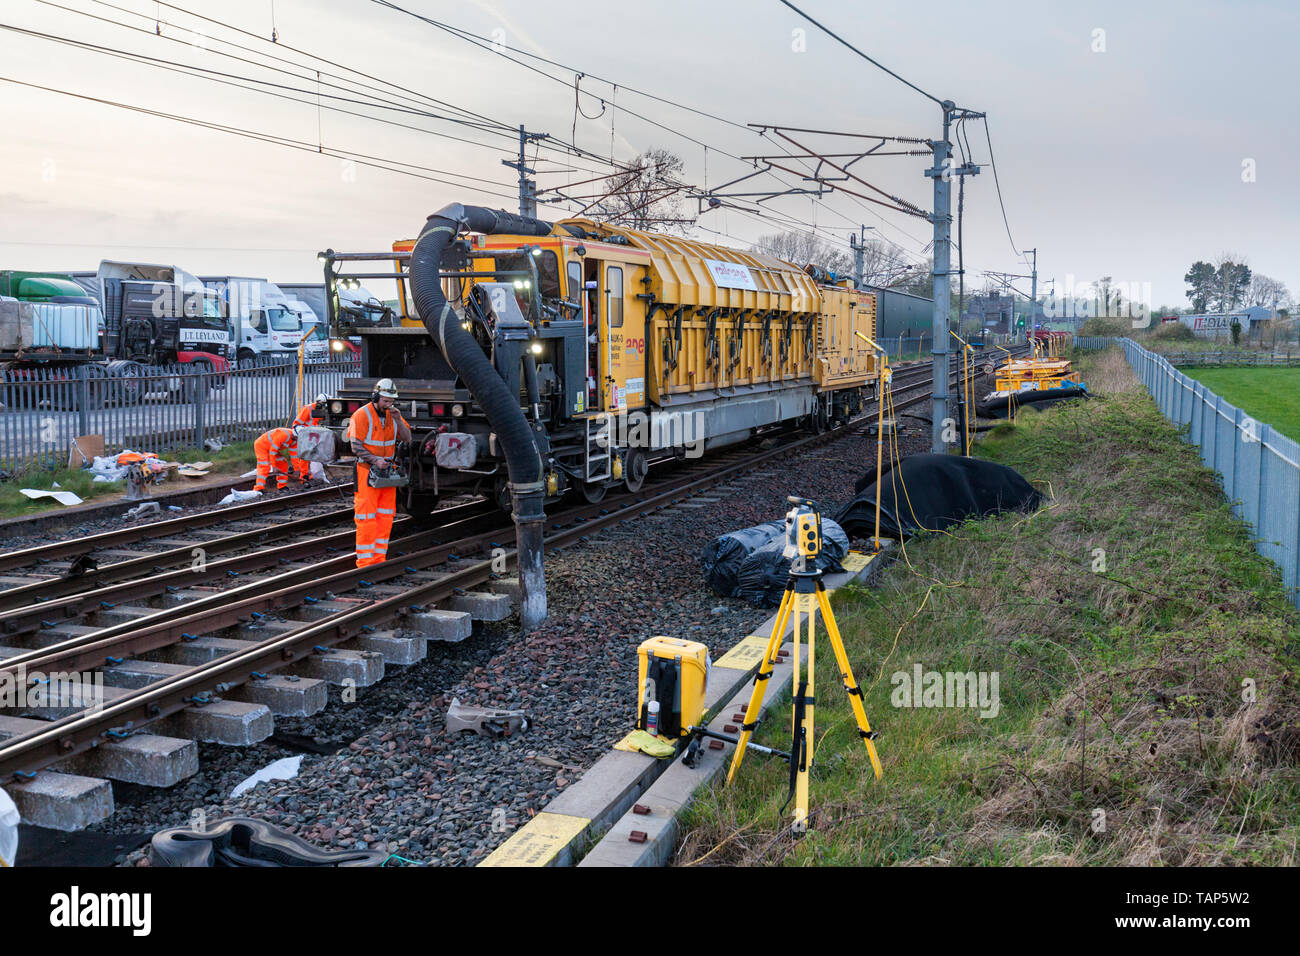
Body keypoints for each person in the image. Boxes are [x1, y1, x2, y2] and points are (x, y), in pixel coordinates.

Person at [349, 378, 411, 568]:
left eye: (391, 401)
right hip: (367, 471)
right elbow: (355, 446)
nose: (388, 404)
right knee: (366, 518)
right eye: (385, 401)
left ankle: (379, 560)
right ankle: (365, 562)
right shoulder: (361, 415)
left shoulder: (393, 415)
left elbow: (407, 438)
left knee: (385, 516)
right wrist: (375, 460)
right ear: (376, 397)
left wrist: (398, 420)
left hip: (387, 474)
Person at [287, 393, 329, 482]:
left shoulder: (324, 411)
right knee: (305, 456)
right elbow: (297, 424)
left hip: (315, 435)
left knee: (315, 455)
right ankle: (304, 477)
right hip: (305, 434)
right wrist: (304, 432)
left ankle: (314, 475)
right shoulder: (308, 409)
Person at [253, 426, 301, 492]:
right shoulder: (283, 435)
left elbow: (294, 456)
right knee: (264, 466)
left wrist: (297, 469)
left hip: (271, 448)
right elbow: (272, 452)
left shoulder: (294, 441)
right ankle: (258, 489)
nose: (298, 440)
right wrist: (274, 466)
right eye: (297, 438)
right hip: (261, 446)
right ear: (295, 435)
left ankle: (282, 487)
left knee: (283, 463)